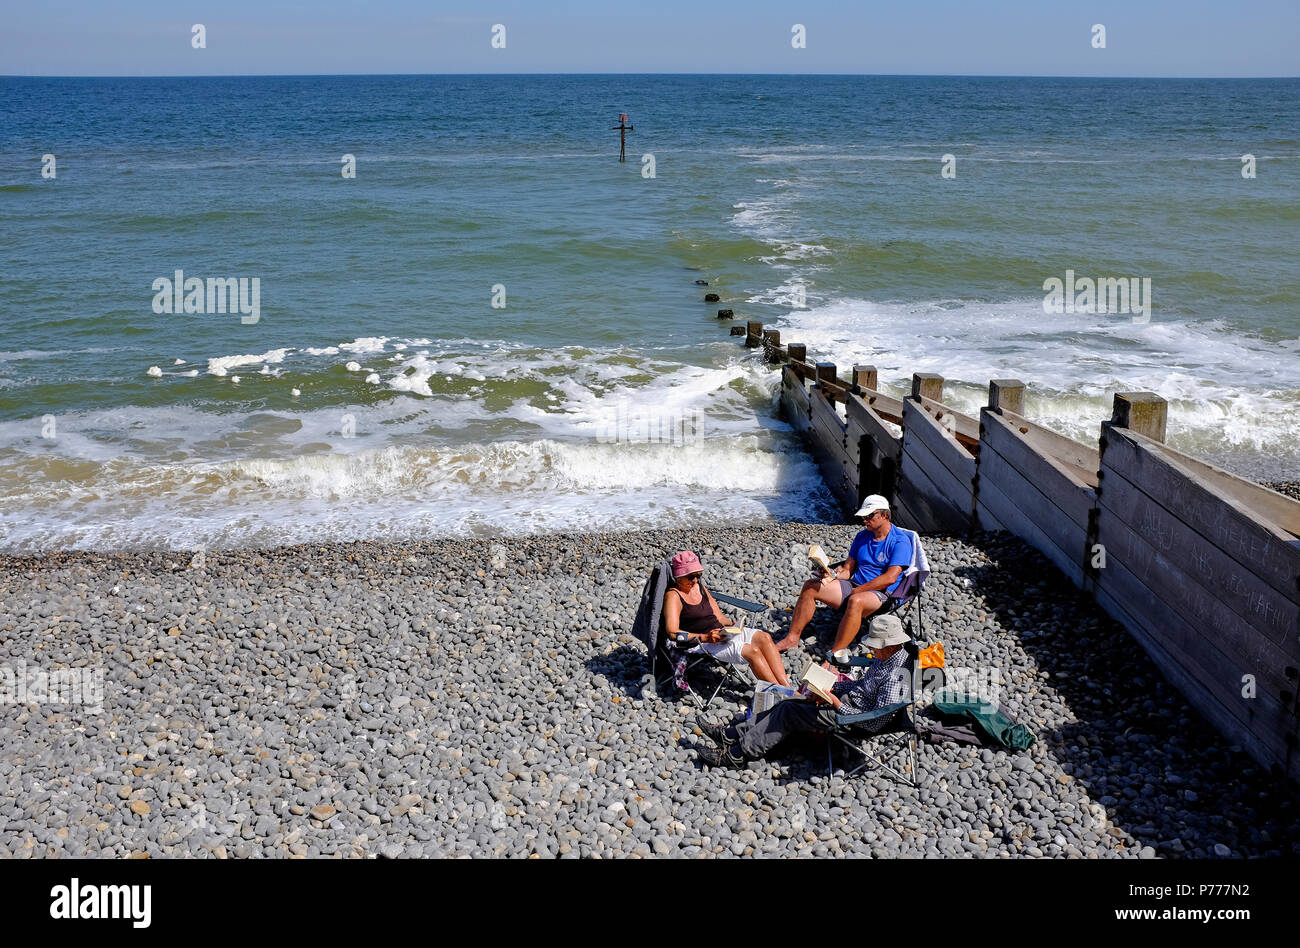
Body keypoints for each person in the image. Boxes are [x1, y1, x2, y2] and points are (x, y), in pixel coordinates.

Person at [696, 615, 911, 768]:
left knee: (789, 712)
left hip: (854, 717)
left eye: (875, 646)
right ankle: (733, 734)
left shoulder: (896, 675)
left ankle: (739, 754)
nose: (871, 649)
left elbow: (873, 722)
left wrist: (836, 703)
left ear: (890, 645)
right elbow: (862, 689)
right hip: (852, 703)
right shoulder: (890, 658)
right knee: (789, 702)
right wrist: (829, 687)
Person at [773, 494, 912, 653]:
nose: (865, 519)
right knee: (811, 586)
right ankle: (792, 639)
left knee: (856, 600)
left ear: (884, 515)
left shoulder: (900, 541)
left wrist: (859, 590)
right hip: (854, 586)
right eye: (863, 516)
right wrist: (832, 575)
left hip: (881, 593)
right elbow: (848, 570)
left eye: (870, 515)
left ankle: (835, 655)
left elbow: (890, 578)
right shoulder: (862, 537)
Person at [664, 550, 790, 688]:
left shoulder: (700, 587)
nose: (695, 580)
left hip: (722, 634)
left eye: (698, 575)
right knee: (752, 651)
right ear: (678, 577)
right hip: (702, 643)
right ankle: (779, 692)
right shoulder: (674, 596)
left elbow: (718, 616)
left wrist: (733, 626)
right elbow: (672, 632)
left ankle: (787, 687)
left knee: (764, 637)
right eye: (690, 577)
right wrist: (705, 637)